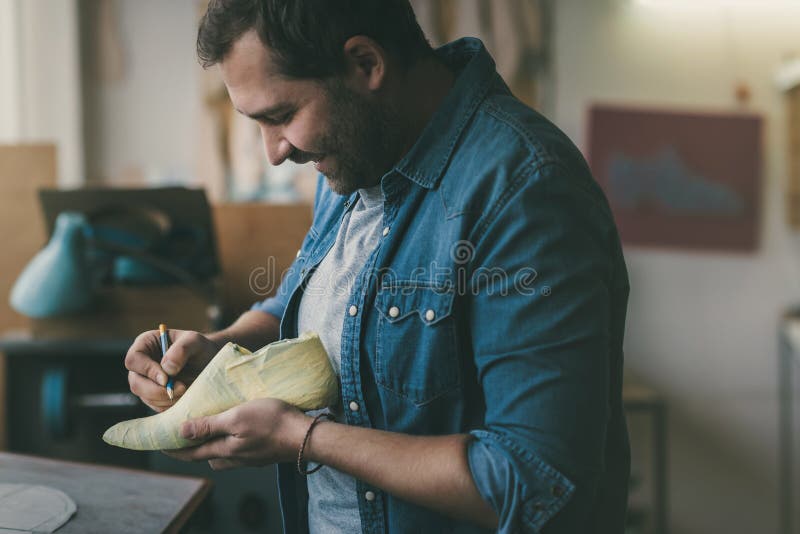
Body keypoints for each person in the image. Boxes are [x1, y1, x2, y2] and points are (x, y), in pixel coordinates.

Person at [123, 0, 631, 532]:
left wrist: (301, 438)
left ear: (365, 65)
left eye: (281, 115)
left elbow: (535, 483)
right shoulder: (355, 151)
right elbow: (303, 306)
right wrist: (218, 350)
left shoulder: (525, 189)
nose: (274, 151)